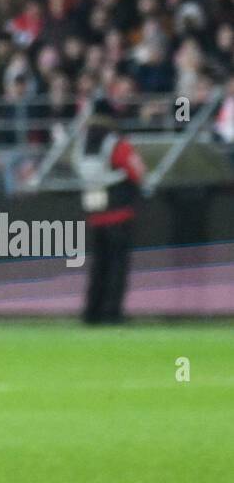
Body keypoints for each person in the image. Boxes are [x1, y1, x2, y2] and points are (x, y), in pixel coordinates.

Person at [77, 99, 145, 325]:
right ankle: (111, 312)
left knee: (99, 265)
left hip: (95, 213)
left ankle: (91, 312)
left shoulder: (82, 144)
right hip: (119, 212)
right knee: (117, 264)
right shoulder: (116, 143)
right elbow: (137, 171)